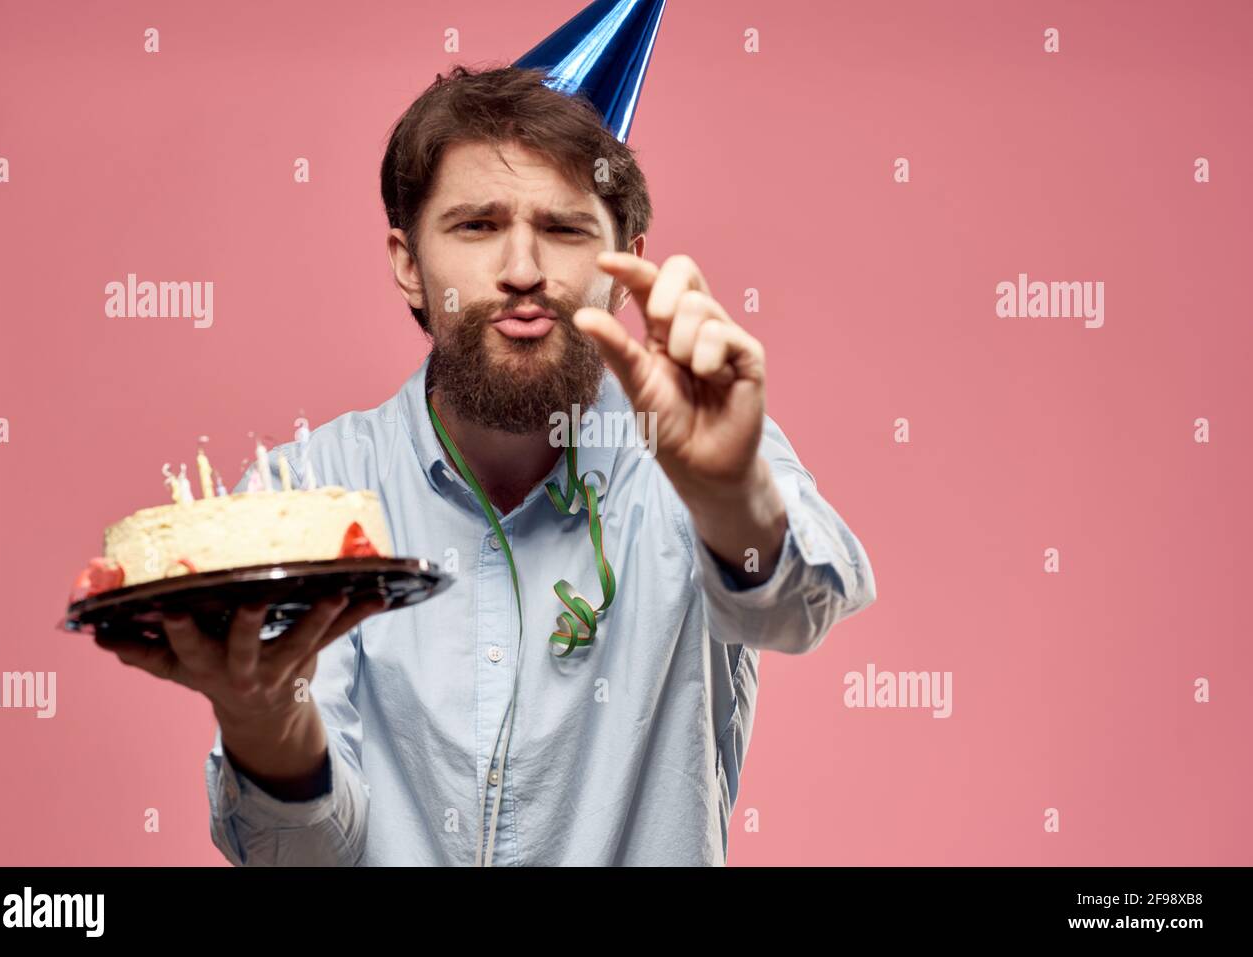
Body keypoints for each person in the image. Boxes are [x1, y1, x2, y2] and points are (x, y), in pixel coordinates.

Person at [95, 64, 877, 866]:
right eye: (476, 226)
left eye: (567, 229)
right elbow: (300, 856)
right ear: (408, 262)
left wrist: (726, 497)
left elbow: (799, 609)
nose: (523, 271)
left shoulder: (705, 443)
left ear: (627, 265)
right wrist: (263, 719)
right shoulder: (305, 497)